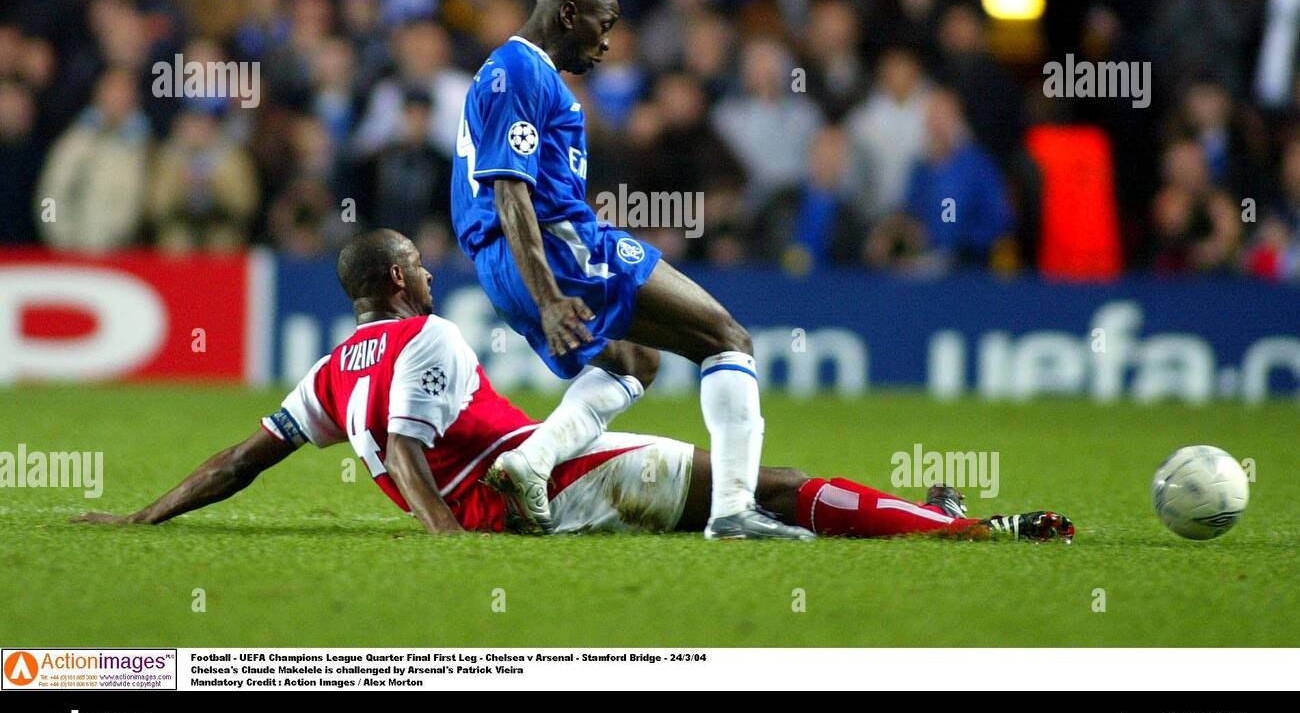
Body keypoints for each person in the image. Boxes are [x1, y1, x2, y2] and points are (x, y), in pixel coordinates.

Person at [73, 229, 1075, 545]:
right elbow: (416, 455)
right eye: (415, 264)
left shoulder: (330, 372)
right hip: (545, 486)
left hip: (512, 494)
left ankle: (925, 515)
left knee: (647, 390)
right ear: (392, 285)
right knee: (766, 483)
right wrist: (448, 545)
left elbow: (240, 459)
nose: (428, 271)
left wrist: (142, 516)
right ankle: (965, 530)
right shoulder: (426, 335)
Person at [450, 0, 808, 541]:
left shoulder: (511, 72)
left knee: (635, 359)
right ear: (569, 14)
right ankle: (735, 510)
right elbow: (510, 190)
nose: (608, 41)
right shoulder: (521, 70)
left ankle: (531, 461)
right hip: (557, 250)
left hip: (508, 260)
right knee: (729, 339)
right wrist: (548, 296)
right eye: (603, 23)